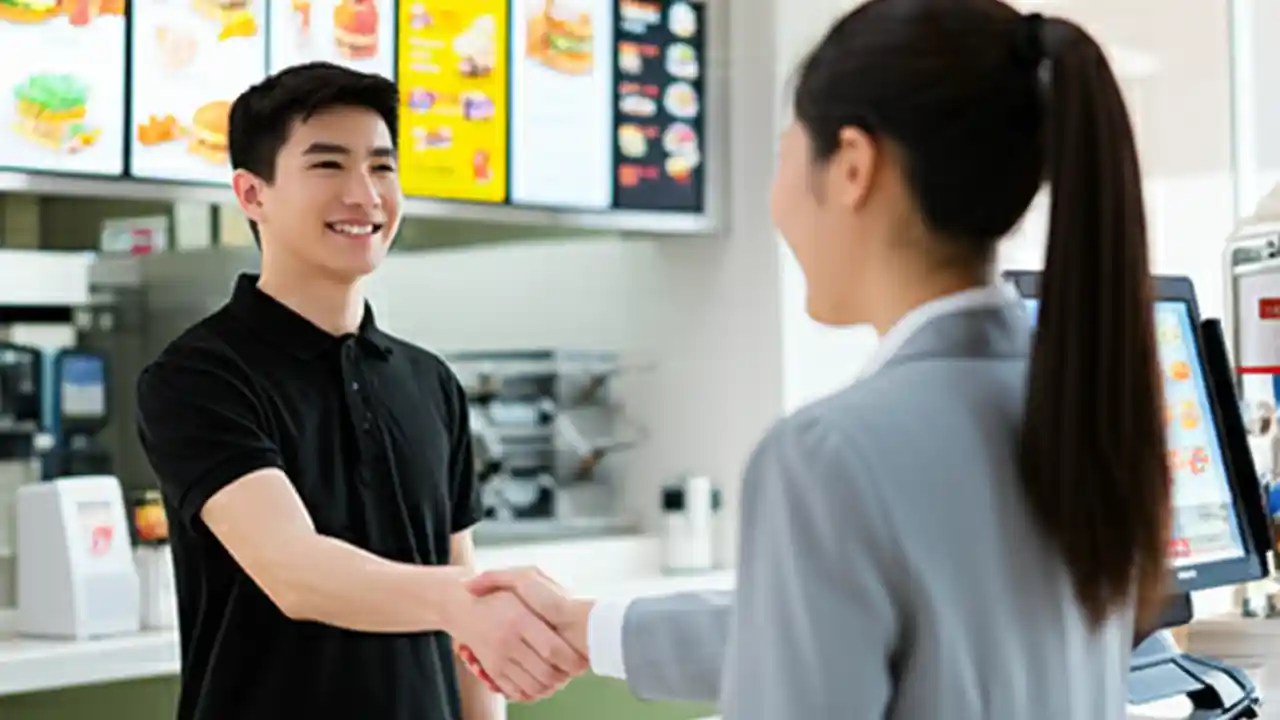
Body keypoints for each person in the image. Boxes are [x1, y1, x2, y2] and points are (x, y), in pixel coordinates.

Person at [459, 1, 1170, 717]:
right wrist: (592, 629)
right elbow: (856, 626)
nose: (777, 201)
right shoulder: (1079, 406)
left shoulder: (830, 456)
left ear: (853, 166)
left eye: (785, 154)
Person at [134, 62, 585, 720]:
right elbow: (295, 571)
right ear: (252, 195)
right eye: (328, 165)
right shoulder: (198, 377)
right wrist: (458, 599)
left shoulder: (430, 382)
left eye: (381, 166)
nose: (365, 194)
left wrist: (471, 621)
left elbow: (465, 605)